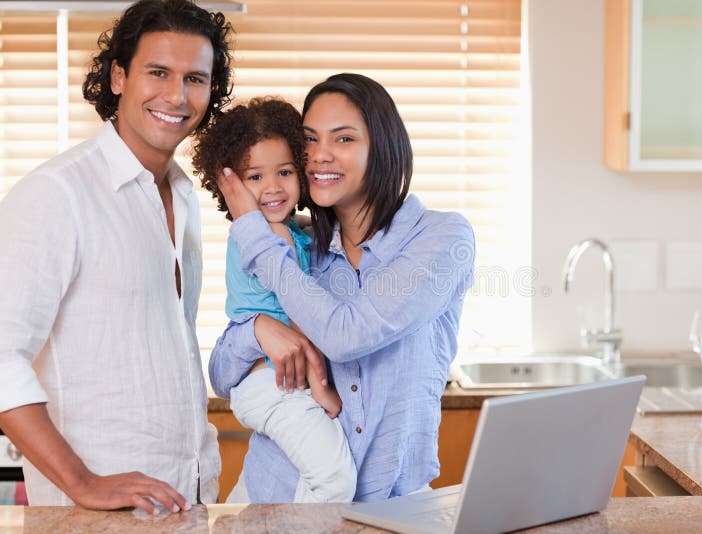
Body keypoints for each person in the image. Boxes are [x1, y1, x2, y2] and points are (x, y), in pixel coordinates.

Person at [0, 0, 233, 513]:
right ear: (119, 76)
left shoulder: (185, 195)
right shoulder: (56, 194)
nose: (177, 95)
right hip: (92, 514)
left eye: (196, 78)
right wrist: (83, 483)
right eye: (158, 72)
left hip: (187, 498)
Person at [209, 73, 475, 502]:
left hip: (392, 508)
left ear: (383, 148)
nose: (320, 156)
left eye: (345, 139)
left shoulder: (440, 239)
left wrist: (252, 230)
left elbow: (347, 335)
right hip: (272, 499)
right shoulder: (298, 246)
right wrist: (259, 329)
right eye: (310, 140)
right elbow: (222, 374)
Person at [192, 97, 356, 503]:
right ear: (230, 187)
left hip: (263, 381)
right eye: (254, 177)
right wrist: (321, 391)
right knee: (333, 479)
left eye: (284, 171)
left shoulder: (285, 231)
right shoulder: (272, 238)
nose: (272, 187)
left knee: (282, 483)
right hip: (273, 382)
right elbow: (302, 320)